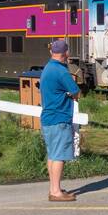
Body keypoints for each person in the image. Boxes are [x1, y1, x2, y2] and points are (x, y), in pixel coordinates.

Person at [39, 39, 80, 202]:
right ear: (66, 53)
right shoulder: (61, 71)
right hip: (59, 118)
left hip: (48, 118)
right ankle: (56, 192)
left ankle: (53, 188)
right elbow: (75, 91)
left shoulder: (48, 68)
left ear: (51, 52)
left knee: (52, 154)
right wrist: (70, 94)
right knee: (59, 156)